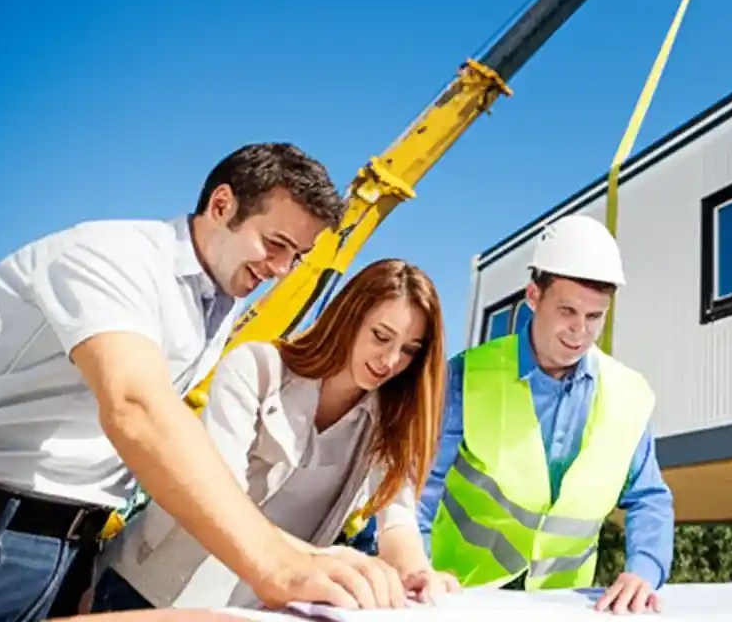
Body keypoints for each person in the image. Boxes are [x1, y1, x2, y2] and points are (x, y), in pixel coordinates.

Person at [0, 142, 401, 620]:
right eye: (275, 245)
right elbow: (136, 408)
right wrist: (275, 564)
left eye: (297, 256)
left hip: (65, 545)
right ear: (222, 204)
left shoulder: (217, 306)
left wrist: (301, 552)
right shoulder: (112, 257)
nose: (280, 271)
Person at [89, 258, 461, 611]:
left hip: (258, 608)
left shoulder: (390, 422)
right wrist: (318, 557)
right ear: (349, 318)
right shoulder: (256, 370)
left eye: (409, 351)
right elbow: (216, 497)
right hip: (155, 588)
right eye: (381, 336)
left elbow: (397, 518)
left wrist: (416, 573)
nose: (391, 361)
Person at [417, 214, 675, 615]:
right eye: (567, 311)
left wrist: (645, 568)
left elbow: (649, 498)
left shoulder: (629, 395)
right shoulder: (468, 376)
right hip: (457, 599)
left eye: (594, 317)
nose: (580, 331)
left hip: (562, 606)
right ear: (533, 296)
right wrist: (414, 570)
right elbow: (419, 488)